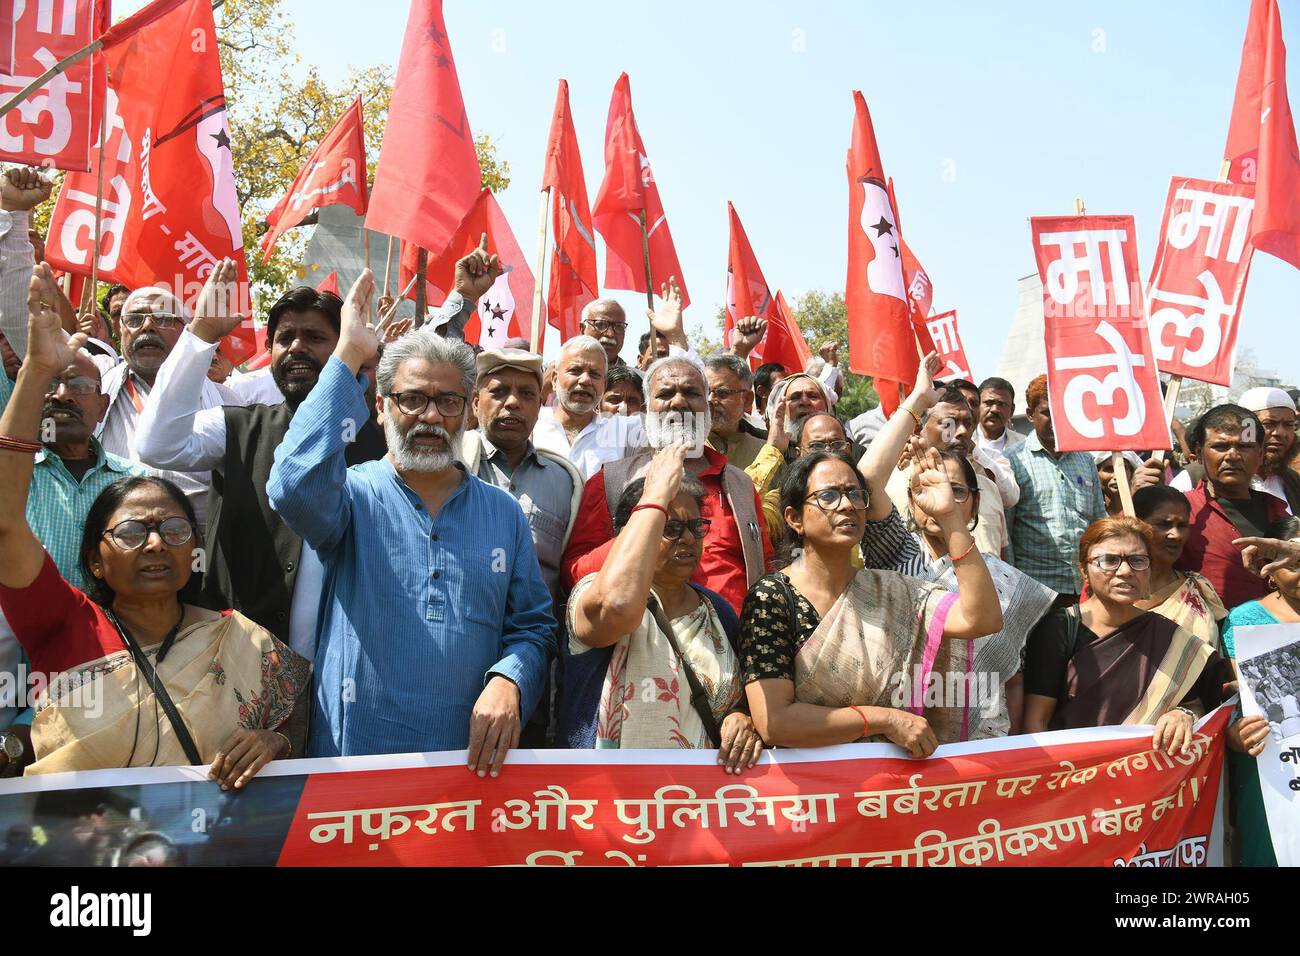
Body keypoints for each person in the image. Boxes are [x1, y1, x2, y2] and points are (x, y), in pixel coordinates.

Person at [0, 264, 307, 783]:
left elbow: (297, 715)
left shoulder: (236, 637)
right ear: (94, 558)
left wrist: (274, 740)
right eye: (131, 532)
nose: (155, 545)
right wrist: (34, 370)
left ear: (197, 550)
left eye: (175, 530)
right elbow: (6, 524)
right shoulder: (65, 623)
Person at [266, 270, 555, 772]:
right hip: (354, 768)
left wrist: (510, 679)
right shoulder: (351, 495)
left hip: (470, 770)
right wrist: (348, 355)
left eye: (448, 402)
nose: (430, 416)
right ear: (380, 407)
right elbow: (290, 485)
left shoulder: (503, 512)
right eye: (412, 399)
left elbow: (533, 626)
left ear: (467, 412)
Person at [136, 262, 387, 670]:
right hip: (233, 669)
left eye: (315, 337)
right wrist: (199, 333)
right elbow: (156, 444)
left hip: (347, 674)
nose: (297, 348)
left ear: (348, 347)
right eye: (285, 338)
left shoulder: (382, 442)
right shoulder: (237, 426)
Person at [739, 446, 1004, 753]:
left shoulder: (890, 590)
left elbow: (982, 618)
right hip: (812, 791)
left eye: (855, 494)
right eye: (828, 496)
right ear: (795, 518)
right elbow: (775, 722)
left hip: (887, 793)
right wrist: (884, 720)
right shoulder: (771, 598)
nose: (847, 505)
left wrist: (950, 517)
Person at [856, 359, 1056, 738]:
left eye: (956, 491)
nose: (940, 499)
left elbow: (1013, 678)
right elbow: (864, 483)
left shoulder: (1003, 580)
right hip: (900, 734)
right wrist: (916, 401)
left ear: (976, 504)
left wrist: (1008, 748)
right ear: (911, 501)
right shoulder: (898, 553)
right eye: (925, 490)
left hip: (980, 743)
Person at [563, 445, 763, 771]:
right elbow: (617, 606)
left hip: (702, 806)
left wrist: (740, 718)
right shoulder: (591, 593)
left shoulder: (718, 612)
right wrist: (655, 494)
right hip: (613, 803)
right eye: (669, 528)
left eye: (696, 527)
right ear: (631, 533)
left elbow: (736, 701)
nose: (687, 538)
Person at [563, 355, 773, 615]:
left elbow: (765, 566)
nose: (678, 402)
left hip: (736, 643)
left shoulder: (739, 484)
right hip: (646, 643)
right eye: (665, 393)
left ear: (706, 404)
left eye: (691, 392)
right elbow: (575, 573)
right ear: (647, 408)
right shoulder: (610, 481)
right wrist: (643, 527)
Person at [460, 347, 582, 746]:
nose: (512, 402)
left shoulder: (566, 481)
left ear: (542, 404)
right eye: (499, 391)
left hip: (531, 669)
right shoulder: (450, 464)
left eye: (526, 394)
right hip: (453, 664)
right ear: (475, 402)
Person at [1022, 517, 1224, 744]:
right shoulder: (1060, 628)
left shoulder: (1170, 638)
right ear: (1084, 569)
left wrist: (1183, 715)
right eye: (1109, 560)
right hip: (1070, 770)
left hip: (1141, 772)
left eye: (1138, 560)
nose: (1126, 571)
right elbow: (1036, 720)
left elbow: (1197, 705)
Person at [97, 282, 239, 530]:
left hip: (201, 550)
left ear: (186, 331)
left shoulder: (227, 401)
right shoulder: (96, 390)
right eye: (134, 319)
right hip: (117, 544)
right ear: (120, 330)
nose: (147, 325)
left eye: (163, 318)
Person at [1218, 559, 1300, 866]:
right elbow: (1242, 698)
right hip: (1271, 757)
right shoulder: (1247, 619)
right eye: (1296, 563)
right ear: (1271, 571)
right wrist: (1236, 732)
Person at [1176, 404, 1299, 609]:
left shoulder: (1280, 511)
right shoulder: (1180, 513)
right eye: (1221, 447)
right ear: (1198, 453)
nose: (1233, 456)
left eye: (1245, 447)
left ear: (1260, 455)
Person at [1007, 373, 1108, 606]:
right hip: (1036, 591)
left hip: (1085, 586)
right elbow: (1007, 533)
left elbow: (1098, 520)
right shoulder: (1013, 461)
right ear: (1031, 415)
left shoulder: (1085, 459)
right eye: (1046, 413)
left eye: (1062, 412)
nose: (1055, 421)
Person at [883, 383, 1014, 560]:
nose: (962, 432)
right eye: (948, 424)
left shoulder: (987, 487)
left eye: (968, 424)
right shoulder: (891, 487)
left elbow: (1003, 558)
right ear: (917, 428)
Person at [531, 335, 641, 480]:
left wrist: (676, 337)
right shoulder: (531, 425)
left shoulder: (623, 430)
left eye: (595, 374)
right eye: (575, 370)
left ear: (604, 384)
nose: (585, 380)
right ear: (555, 379)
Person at [1132, 485, 1226, 649]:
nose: (1176, 535)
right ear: (1136, 526)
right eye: (1163, 524)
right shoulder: (1118, 591)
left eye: (1182, 525)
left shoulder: (1199, 587)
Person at [1243, 386, 1300, 514]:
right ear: (1246, 428)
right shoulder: (1201, 478)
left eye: (1288, 425)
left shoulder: (1292, 480)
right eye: (1269, 424)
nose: (1280, 433)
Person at [704, 353, 765, 470]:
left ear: (747, 400)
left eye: (722, 393)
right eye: (705, 392)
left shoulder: (765, 453)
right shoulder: (685, 450)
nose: (709, 400)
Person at [975, 377, 1023, 454]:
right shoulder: (963, 441)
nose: (994, 409)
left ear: (1012, 410)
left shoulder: (1024, 445)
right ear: (977, 405)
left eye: (1002, 404)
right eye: (989, 403)